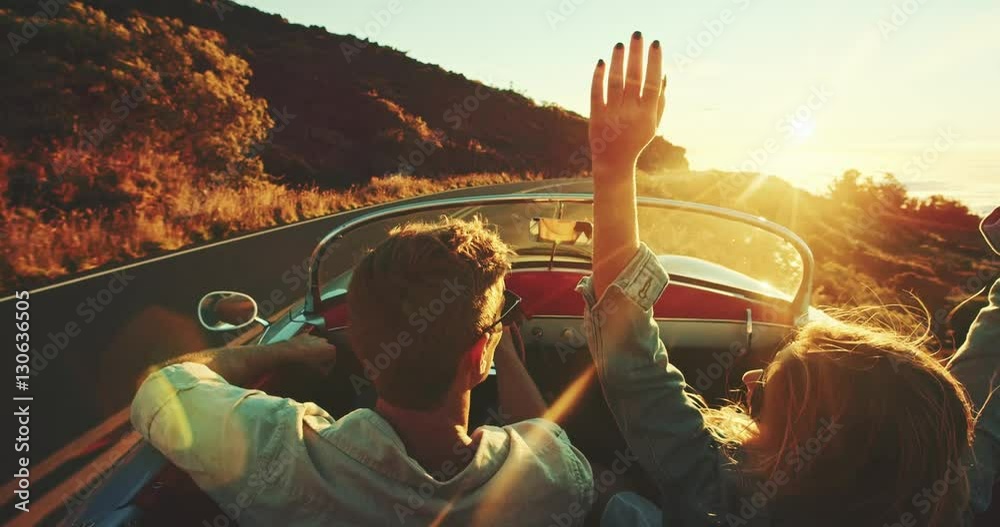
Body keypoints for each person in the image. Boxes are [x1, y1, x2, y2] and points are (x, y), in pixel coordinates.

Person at [583, 31, 982, 526]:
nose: (748, 378)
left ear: (806, 460)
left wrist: (616, 167)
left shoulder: (723, 491)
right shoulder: (942, 491)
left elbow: (632, 366)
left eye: (766, 394)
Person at [131, 218, 594, 526]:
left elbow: (163, 386)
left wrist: (280, 353)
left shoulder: (279, 457)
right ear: (477, 355)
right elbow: (545, 437)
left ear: (362, 344)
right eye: (499, 317)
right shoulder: (551, 481)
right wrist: (505, 355)